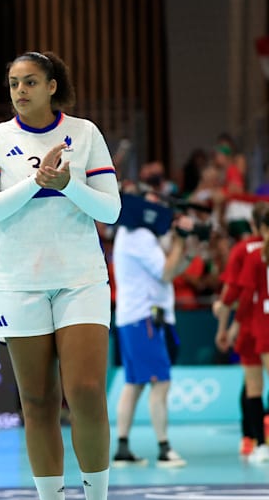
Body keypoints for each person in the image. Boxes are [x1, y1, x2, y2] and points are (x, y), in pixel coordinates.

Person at [0, 51, 120, 500]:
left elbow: (110, 209)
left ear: (53, 86)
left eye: (30, 82)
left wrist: (68, 184)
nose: (20, 91)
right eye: (14, 83)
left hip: (81, 280)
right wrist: (37, 182)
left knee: (87, 392)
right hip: (18, 284)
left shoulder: (84, 133)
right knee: (36, 402)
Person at [112, 195, 199, 468]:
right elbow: (165, 272)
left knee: (134, 383)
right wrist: (182, 237)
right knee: (160, 382)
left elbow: (173, 271)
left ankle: (123, 448)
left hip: (134, 317)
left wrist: (189, 249)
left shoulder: (132, 234)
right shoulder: (138, 236)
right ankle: (164, 448)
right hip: (144, 319)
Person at [213, 203, 269, 457]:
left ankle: (252, 439)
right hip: (255, 322)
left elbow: (237, 293)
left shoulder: (247, 252)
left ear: (255, 224)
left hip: (253, 324)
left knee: (252, 384)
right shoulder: (256, 252)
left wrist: (226, 324)